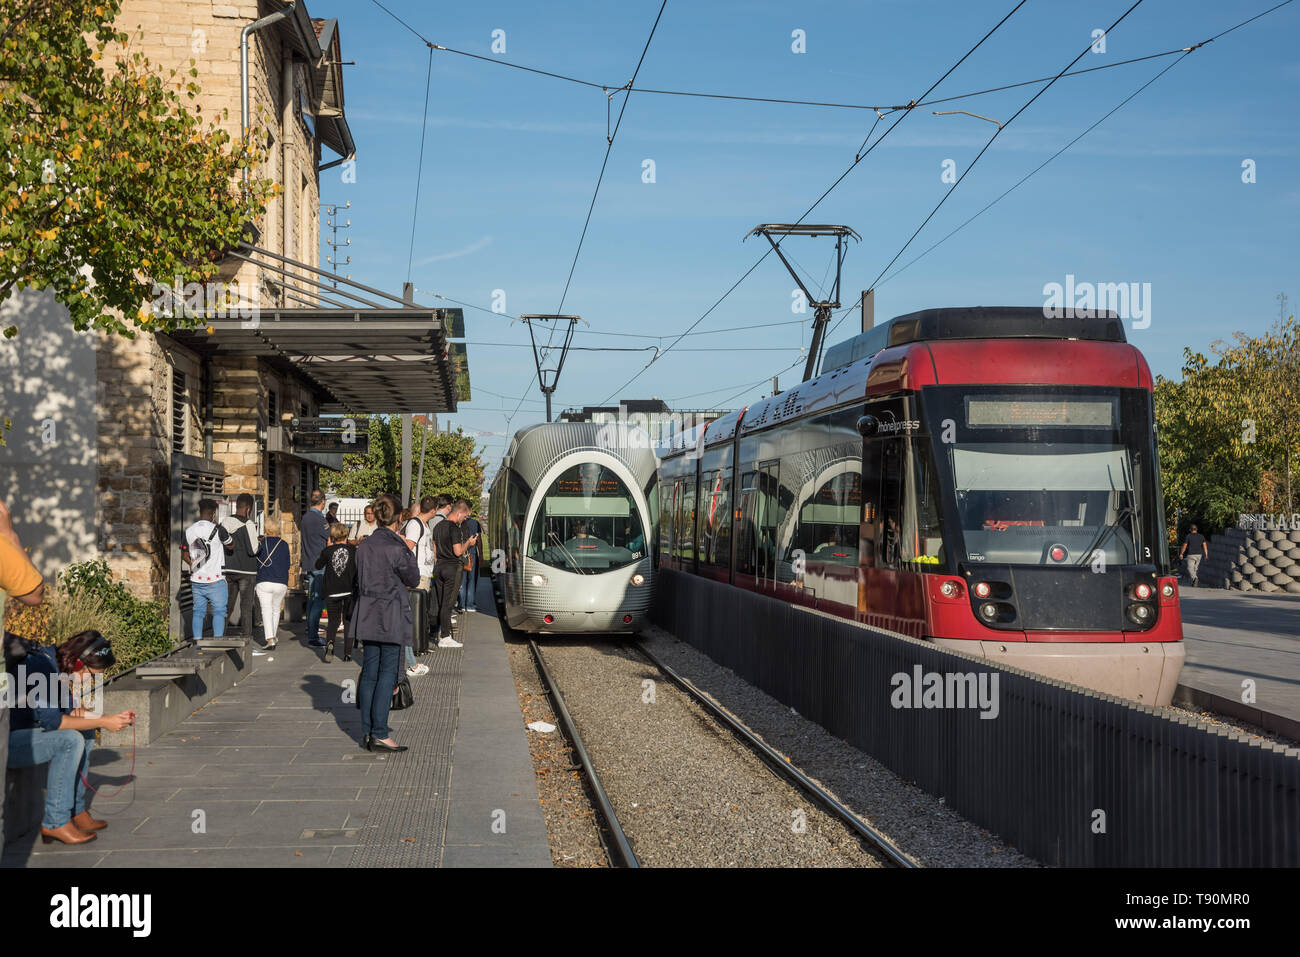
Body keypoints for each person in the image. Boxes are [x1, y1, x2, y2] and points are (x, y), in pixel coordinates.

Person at [6, 630, 135, 845]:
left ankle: (76, 810)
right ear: (77, 663)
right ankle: (55, 822)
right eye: (92, 674)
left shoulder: (58, 667)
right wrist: (103, 722)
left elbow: (69, 713)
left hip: (24, 735)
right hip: (8, 742)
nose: (91, 681)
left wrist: (109, 718)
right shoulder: (42, 667)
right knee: (69, 741)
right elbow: (55, 722)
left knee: (84, 730)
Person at [349, 493, 419, 752]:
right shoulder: (397, 548)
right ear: (399, 519)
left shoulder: (364, 546)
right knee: (387, 674)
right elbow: (412, 578)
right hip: (390, 614)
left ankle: (367, 730)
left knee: (369, 673)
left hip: (366, 612)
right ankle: (380, 731)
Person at [183, 498, 233, 640]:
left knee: (198, 612)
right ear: (213, 513)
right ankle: (217, 641)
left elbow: (184, 555)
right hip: (216, 579)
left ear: (200, 511)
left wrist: (195, 565)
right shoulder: (219, 530)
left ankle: (197, 641)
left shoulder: (189, 531)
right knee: (219, 611)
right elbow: (231, 545)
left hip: (197, 580)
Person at [401, 496, 439, 676]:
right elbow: (409, 546)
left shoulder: (423, 525)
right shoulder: (415, 524)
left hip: (424, 572)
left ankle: (418, 646)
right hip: (418, 573)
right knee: (414, 613)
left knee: (420, 611)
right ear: (433, 510)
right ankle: (413, 654)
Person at [431, 501, 476, 648]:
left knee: (439, 601)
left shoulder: (437, 527)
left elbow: (435, 550)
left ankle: (437, 632)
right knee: (448, 603)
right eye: (464, 517)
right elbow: (458, 551)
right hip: (452, 567)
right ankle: (445, 637)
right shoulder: (454, 529)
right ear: (458, 513)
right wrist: (468, 543)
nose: (464, 520)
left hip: (439, 567)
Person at [315, 522, 357, 663]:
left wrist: (327, 549)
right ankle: (347, 653)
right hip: (348, 590)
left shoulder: (328, 551)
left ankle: (330, 642)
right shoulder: (353, 550)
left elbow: (318, 565)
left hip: (332, 590)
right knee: (348, 621)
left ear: (332, 537)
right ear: (346, 535)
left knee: (333, 621)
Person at [220, 493, 259, 643]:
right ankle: (247, 638)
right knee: (246, 606)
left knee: (227, 606)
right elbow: (253, 550)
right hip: (246, 571)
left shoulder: (225, 522)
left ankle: (220, 634)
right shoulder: (248, 524)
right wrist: (259, 543)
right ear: (248, 508)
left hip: (230, 570)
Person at [301, 490, 330, 647]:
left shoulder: (305, 517)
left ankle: (310, 629)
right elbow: (330, 537)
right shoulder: (319, 519)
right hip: (319, 563)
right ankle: (313, 636)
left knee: (312, 599)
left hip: (309, 562)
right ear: (323, 501)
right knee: (318, 600)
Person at [255, 521, 290, 650]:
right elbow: (287, 565)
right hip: (281, 582)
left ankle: (270, 639)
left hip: (264, 580)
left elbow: (256, 561)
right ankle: (273, 636)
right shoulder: (284, 544)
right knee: (276, 610)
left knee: (266, 610)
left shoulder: (261, 544)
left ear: (266, 530)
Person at [459, 510, 482, 613]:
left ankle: (461, 604)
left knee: (462, 579)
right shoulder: (475, 523)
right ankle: (470, 604)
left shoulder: (458, 522)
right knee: (471, 579)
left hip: (461, 552)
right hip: (472, 553)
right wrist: (480, 555)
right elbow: (479, 540)